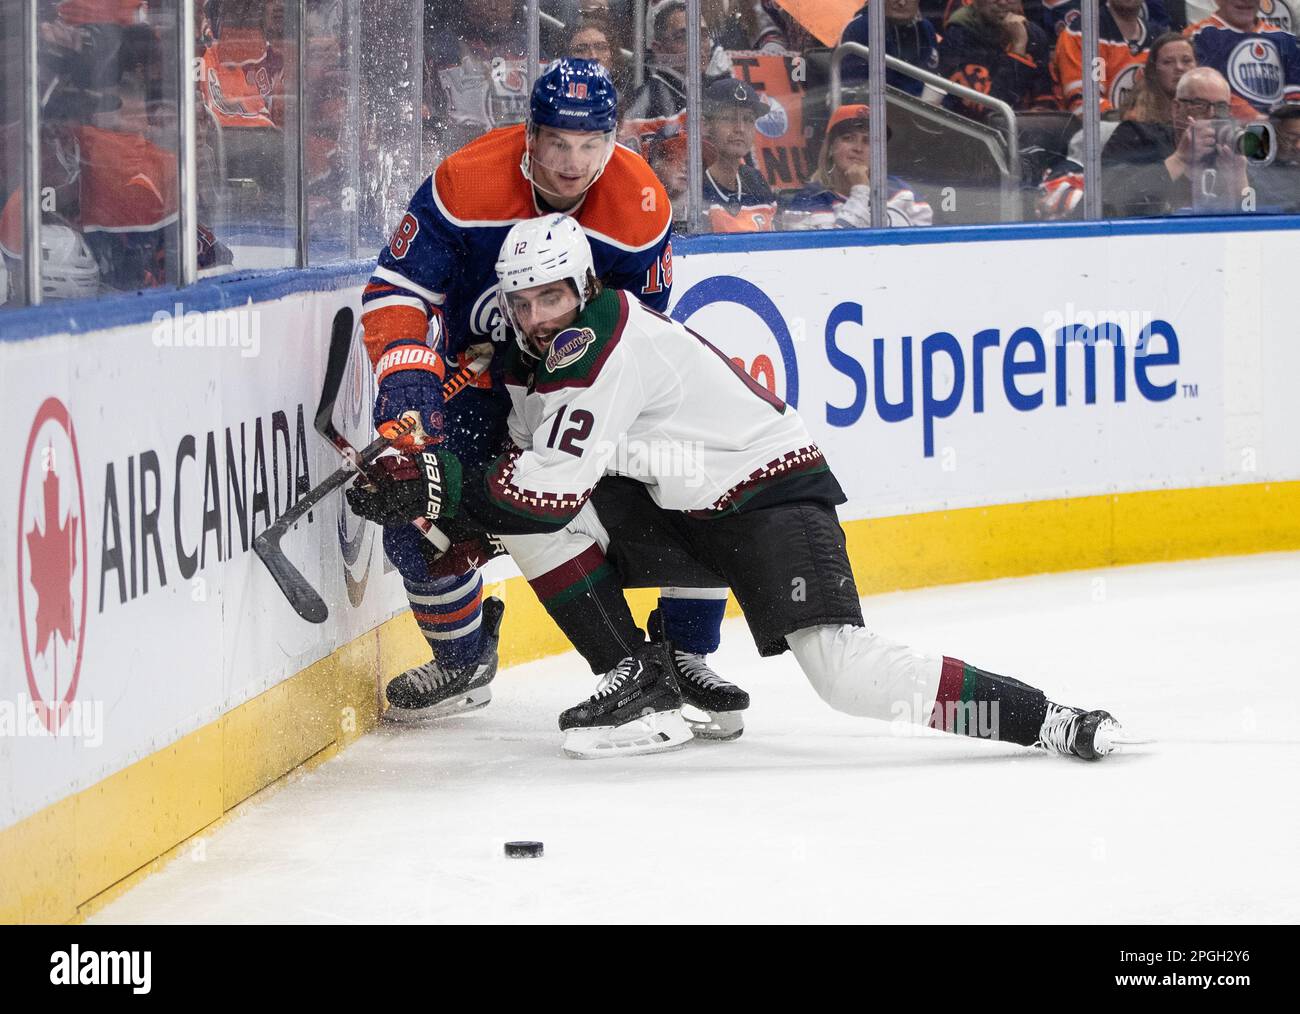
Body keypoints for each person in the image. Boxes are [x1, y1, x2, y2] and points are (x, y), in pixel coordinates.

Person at [350, 212, 1129, 761]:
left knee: (845, 674)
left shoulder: (603, 336)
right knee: (526, 514)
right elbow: (535, 478)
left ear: (582, 286)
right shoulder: (541, 358)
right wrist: (450, 502)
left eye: (549, 297)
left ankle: (1040, 719)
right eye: (521, 304)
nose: (536, 317)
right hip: (688, 514)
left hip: (769, 501)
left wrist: (433, 484)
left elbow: (545, 490)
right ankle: (642, 681)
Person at [357, 58, 747, 733]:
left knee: (686, 478)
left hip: (580, 387)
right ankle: (462, 657)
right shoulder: (465, 182)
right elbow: (397, 290)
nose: (573, 163)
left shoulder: (638, 202)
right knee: (416, 506)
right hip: (476, 386)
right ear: (529, 135)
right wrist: (409, 388)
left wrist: (553, 384)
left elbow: (636, 336)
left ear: (613, 140)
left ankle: (684, 652)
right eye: (558, 143)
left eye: (591, 144)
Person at [1102, 65, 1249, 214]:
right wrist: (1179, 159)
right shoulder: (1137, 136)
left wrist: (1239, 178)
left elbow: (1259, 213)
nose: (1212, 114)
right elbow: (1108, 200)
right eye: (1199, 105)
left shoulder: (1232, 149)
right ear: (1176, 109)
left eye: (1221, 107)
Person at [778, 104, 932, 229]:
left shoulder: (903, 193)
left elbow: (926, 248)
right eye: (848, 138)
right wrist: (861, 191)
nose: (858, 148)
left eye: (868, 141)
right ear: (830, 147)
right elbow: (837, 251)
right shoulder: (809, 199)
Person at [939, 0, 1058, 117]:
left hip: (1022, 124)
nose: (1002, 2)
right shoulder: (959, 34)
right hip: (972, 126)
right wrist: (1018, 49)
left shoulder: (1034, 35)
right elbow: (985, 109)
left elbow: (1044, 99)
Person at [1186, 0, 1300, 119]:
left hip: (1280, 126)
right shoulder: (1197, 37)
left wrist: (1287, 120)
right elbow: (1205, 90)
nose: (1246, 1)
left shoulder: (1285, 40)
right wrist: (1253, 117)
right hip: (1223, 125)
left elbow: (1296, 93)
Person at [1053, 0, 1170, 114]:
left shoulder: (1161, 40)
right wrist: (1130, 122)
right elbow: (1086, 105)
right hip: (1102, 127)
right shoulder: (1084, 35)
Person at [700, 78, 778, 232]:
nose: (740, 128)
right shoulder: (691, 182)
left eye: (748, 119)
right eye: (729, 118)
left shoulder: (756, 181)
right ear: (705, 125)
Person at [839, 0, 943, 100]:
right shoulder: (860, 28)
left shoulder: (926, 29)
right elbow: (850, 89)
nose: (902, 2)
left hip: (919, 108)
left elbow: (933, 80)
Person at [1118, 30, 1198, 122]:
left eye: (1186, 61)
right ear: (1154, 70)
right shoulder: (1136, 118)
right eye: (1168, 62)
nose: (1179, 67)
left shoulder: (1209, 108)